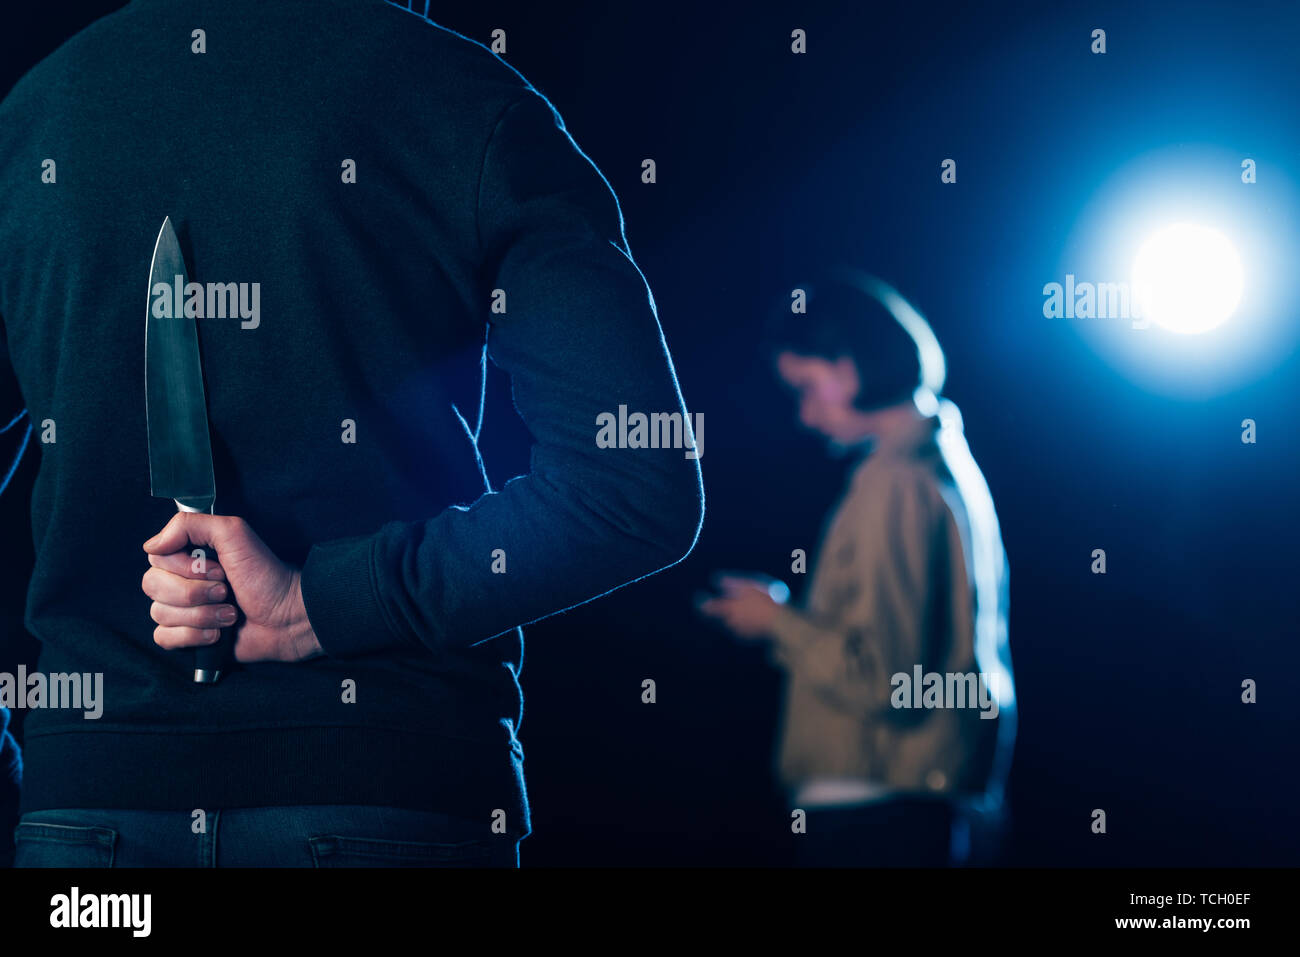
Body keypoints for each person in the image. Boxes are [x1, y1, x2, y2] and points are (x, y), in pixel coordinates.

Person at [0, 0, 703, 867]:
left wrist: (30, 760)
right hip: (386, 799)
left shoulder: (33, 118)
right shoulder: (465, 100)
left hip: (87, 820)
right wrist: (316, 609)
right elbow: (634, 488)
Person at [699, 266, 1015, 866]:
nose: (806, 415)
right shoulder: (942, 467)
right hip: (911, 801)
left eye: (806, 387)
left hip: (873, 809)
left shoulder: (893, 482)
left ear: (849, 367)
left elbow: (886, 681)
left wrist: (774, 622)